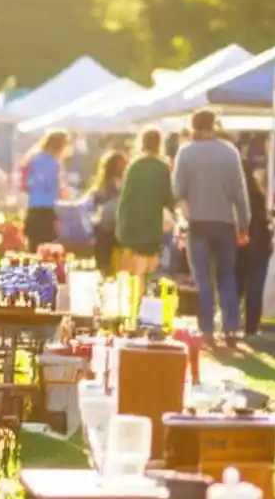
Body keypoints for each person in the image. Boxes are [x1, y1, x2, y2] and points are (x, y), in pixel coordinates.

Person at [174, 111, 250, 347]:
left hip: (198, 224)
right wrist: (244, 225)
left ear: (193, 126)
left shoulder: (185, 153)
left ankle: (206, 329)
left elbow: (177, 191)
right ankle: (231, 329)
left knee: (203, 279)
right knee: (227, 276)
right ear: (214, 125)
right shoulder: (229, 152)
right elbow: (240, 193)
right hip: (226, 223)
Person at [117, 129, 175, 283]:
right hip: (152, 227)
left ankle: (136, 302)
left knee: (135, 273)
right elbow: (168, 198)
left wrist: (121, 228)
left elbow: (125, 199)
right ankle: (146, 303)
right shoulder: (162, 168)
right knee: (150, 270)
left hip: (132, 227)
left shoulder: (134, 166)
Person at [236, 165, 273, 337]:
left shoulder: (234, 197)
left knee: (236, 287)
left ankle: (233, 323)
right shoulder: (259, 196)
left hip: (240, 248)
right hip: (260, 249)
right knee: (255, 290)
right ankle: (251, 327)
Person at [25, 130, 70, 251]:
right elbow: (55, 187)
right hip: (48, 209)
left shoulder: (34, 159)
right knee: (47, 249)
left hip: (33, 207)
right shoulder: (53, 163)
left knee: (33, 247)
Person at [88, 150, 128, 275]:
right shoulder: (124, 184)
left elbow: (94, 204)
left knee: (103, 249)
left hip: (103, 226)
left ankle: (104, 270)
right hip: (120, 225)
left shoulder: (101, 185)